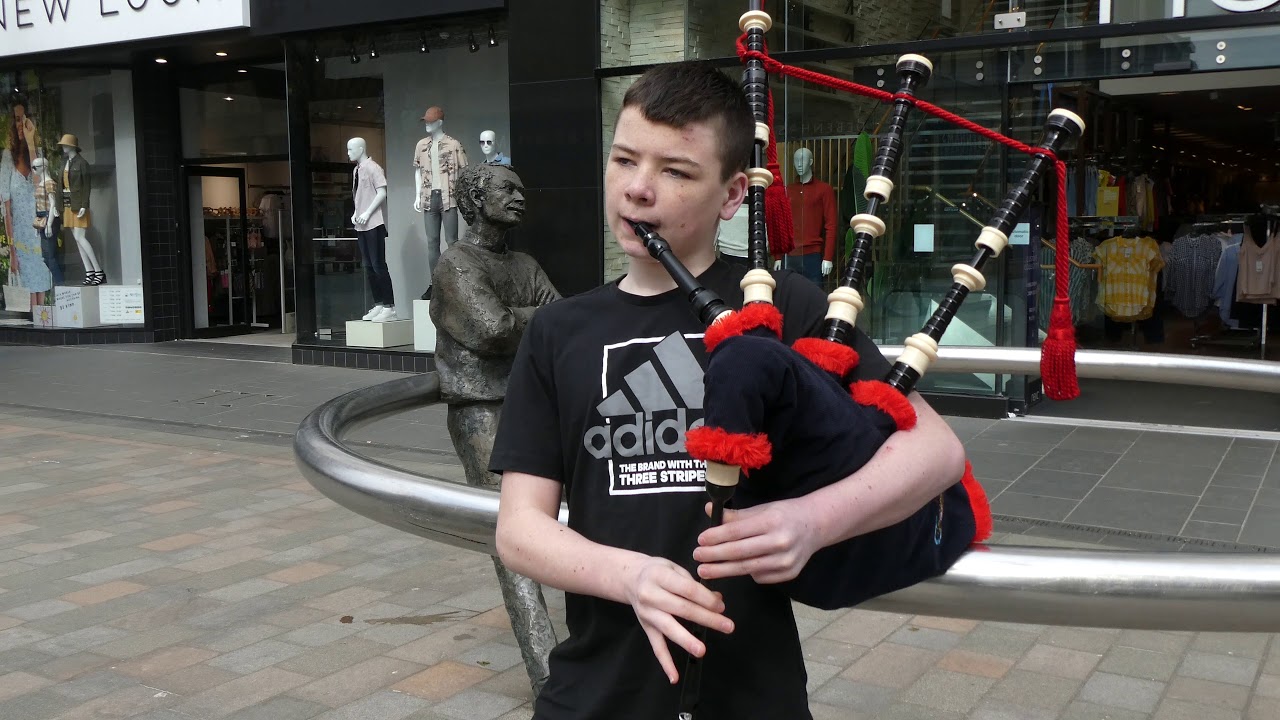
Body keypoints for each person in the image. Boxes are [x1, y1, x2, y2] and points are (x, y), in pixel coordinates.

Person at [490, 62, 965, 719]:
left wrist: (813, 520)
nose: (637, 190)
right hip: (597, 693)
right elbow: (519, 530)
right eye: (624, 160)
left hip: (752, 691)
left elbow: (935, 451)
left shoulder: (784, 306)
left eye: (676, 171)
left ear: (733, 193)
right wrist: (632, 577)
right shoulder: (558, 331)